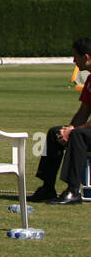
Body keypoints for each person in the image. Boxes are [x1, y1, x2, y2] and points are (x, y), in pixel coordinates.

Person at [31, 38, 91, 204]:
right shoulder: (90, 80)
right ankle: (47, 186)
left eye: (75, 57)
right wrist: (69, 128)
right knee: (54, 132)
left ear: (86, 57)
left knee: (78, 136)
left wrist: (73, 132)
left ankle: (73, 190)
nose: (73, 61)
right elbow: (83, 112)